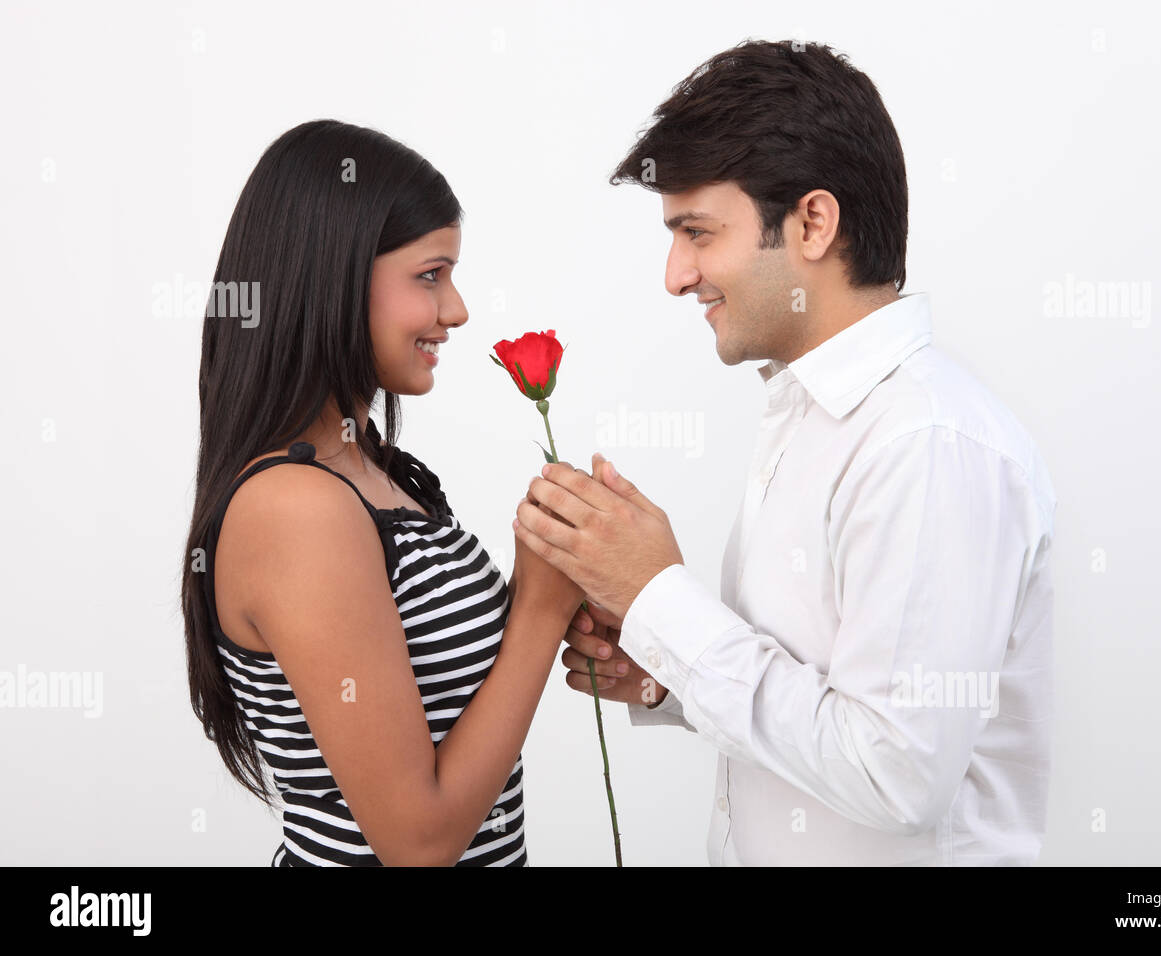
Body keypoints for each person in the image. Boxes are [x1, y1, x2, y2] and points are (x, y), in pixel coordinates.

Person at [518, 39, 1059, 865]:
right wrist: (668, 673)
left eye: (697, 232)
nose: (675, 274)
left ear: (812, 222)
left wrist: (661, 598)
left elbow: (896, 777)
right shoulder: (812, 416)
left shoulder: (925, 443)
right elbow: (825, 702)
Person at [180, 119, 584, 866]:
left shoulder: (374, 472)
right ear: (333, 276)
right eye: (430, 275)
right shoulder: (296, 509)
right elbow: (417, 843)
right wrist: (542, 606)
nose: (456, 309)